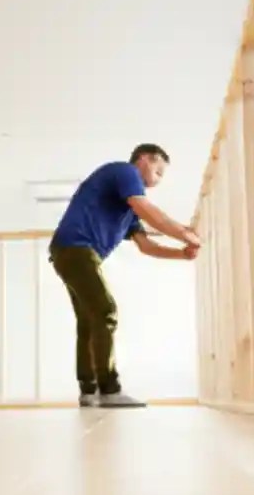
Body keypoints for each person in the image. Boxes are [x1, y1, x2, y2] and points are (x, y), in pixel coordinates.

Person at [49, 144, 202, 408]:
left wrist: (182, 254)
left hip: (73, 253)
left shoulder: (127, 209)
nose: (158, 180)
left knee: (89, 320)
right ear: (144, 159)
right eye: (159, 171)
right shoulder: (124, 172)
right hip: (76, 248)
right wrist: (184, 233)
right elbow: (147, 210)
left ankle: (90, 391)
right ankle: (109, 390)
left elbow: (147, 246)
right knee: (105, 311)